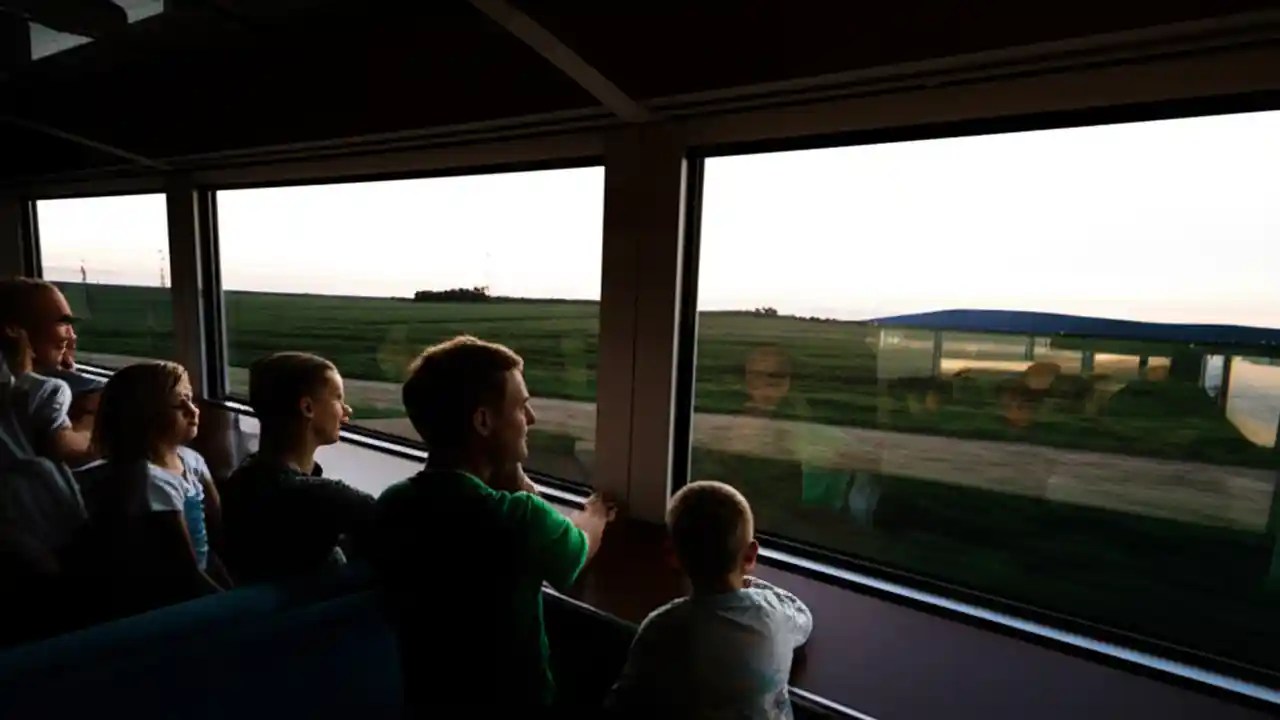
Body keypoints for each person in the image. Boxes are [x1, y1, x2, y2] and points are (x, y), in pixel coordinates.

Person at [373, 335, 616, 716]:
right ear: (483, 421)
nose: (531, 419)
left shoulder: (393, 504)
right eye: (521, 406)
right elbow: (578, 548)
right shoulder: (516, 518)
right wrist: (597, 514)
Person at [608, 481, 813, 719]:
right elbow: (803, 618)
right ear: (750, 555)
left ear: (672, 555)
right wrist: (753, 586)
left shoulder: (660, 628)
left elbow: (622, 703)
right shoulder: (773, 616)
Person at [80, 361, 231, 619]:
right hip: (167, 601)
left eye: (190, 399)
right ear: (145, 417)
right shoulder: (150, 483)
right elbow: (184, 572)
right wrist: (231, 605)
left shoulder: (192, 460)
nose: (193, 410)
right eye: (178, 405)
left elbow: (219, 530)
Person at [220, 352, 375, 583]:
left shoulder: (243, 479)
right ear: (307, 408)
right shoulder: (318, 497)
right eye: (337, 399)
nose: (346, 411)